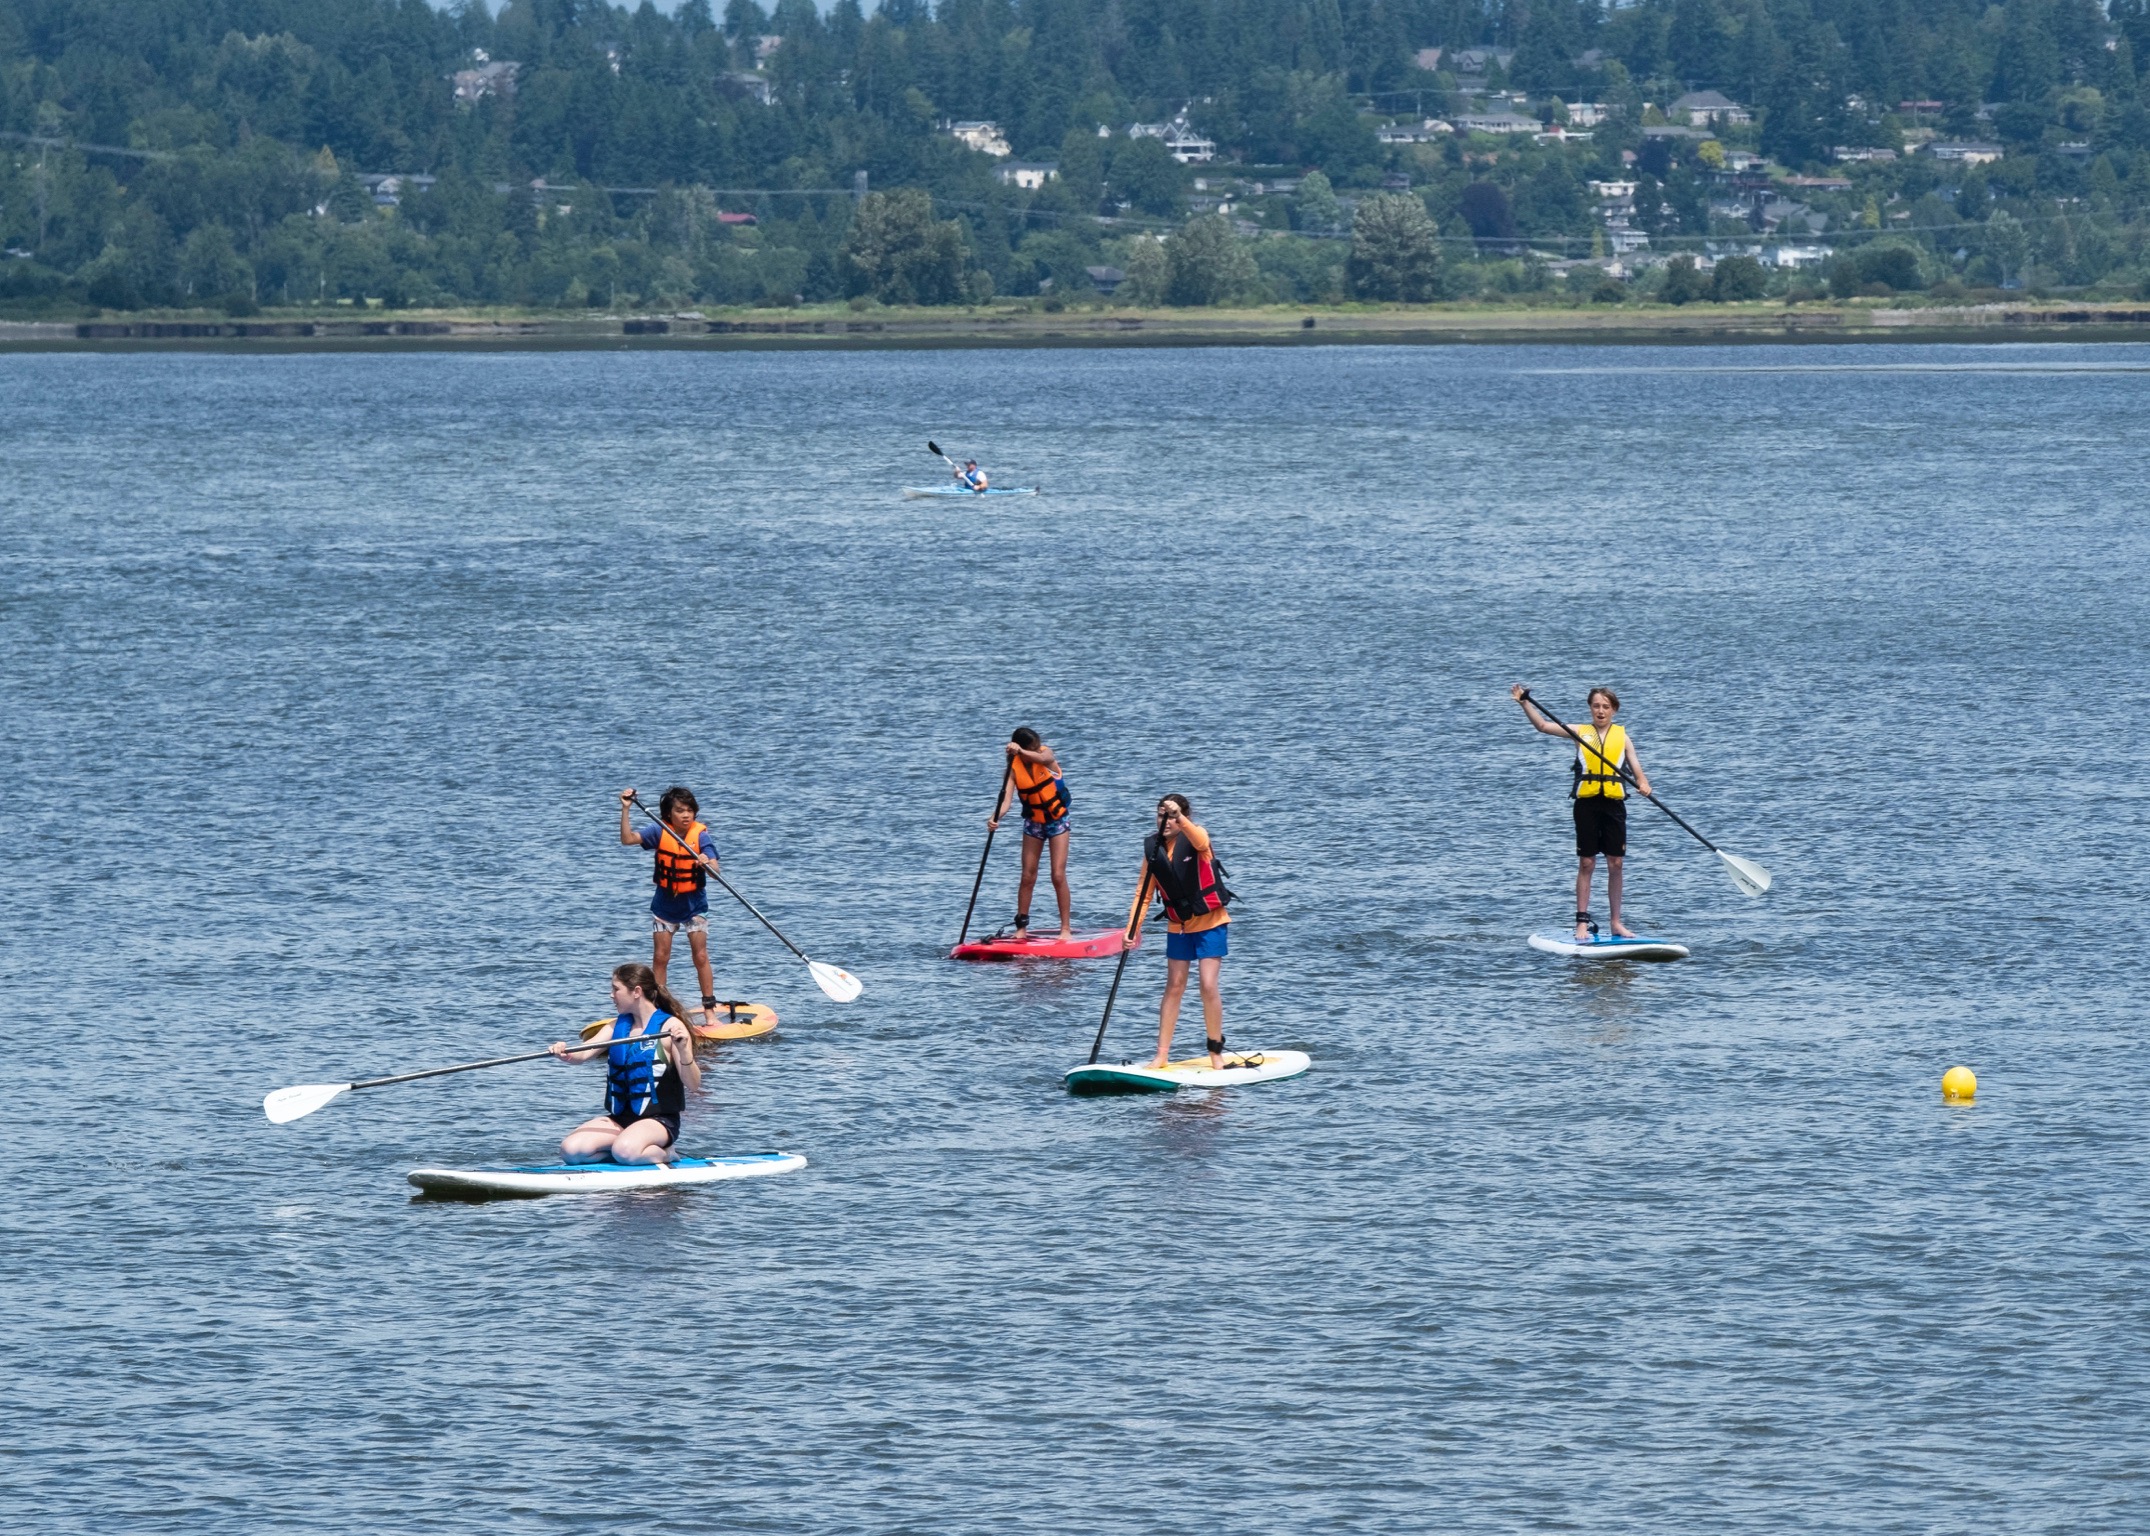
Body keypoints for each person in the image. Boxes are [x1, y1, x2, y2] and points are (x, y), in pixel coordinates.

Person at [1512, 684, 1653, 941]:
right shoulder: (1579, 732)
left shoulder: (1623, 737)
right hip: (1587, 805)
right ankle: (1581, 923)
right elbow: (1542, 726)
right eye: (1596, 706)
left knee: (1616, 863)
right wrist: (1525, 703)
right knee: (1587, 862)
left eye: (1606, 707)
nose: (1600, 711)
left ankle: (1616, 923)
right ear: (1590, 708)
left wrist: (1643, 784)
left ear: (1614, 710)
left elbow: (1639, 773)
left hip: (1614, 805)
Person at [549, 962, 701, 1165]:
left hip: (659, 1121)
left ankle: (667, 1154)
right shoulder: (616, 1026)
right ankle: (628, 1152)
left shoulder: (670, 1027)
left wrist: (683, 1050)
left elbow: (693, 1084)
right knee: (571, 1151)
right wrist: (564, 1053)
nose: (611, 995)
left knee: (626, 1151)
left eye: (616, 989)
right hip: (621, 1118)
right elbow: (583, 1054)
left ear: (636, 991)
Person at [1143, 794, 1234, 1069]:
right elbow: (1143, 895)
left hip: (1211, 923)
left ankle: (1215, 1052)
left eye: (1170, 816)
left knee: (1207, 985)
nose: (1166, 821)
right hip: (1178, 927)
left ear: (1184, 817)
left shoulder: (1197, 837)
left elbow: (1201, 842)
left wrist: (1180, 818)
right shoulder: (1153, 849)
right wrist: (1131, 930)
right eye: (1161, 815)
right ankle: (1161, 1055)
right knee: (1174, 986)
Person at [621, 785, 723, 1026]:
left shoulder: (701, 836)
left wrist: (706, 862)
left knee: (700, 956)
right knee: (660, 957)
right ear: (669, 813)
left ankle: (709, 1012)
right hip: (664, 907)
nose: (686, 815)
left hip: (694, 907)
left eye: (690, 810)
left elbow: (717, 872)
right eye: (680, 810)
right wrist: (625, 810)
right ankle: (658, 1012)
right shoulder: (659, 830)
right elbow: (627, 840)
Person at [988, 728, 1073, 942]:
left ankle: (1065, 928)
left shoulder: (1045, 754)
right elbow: (1006, 800)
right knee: (1027, 876)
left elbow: (1042, 757)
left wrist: (1021, 751)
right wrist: (995, 817)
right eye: (1033, 745)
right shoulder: (1013, 769)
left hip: (1057, 821)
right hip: (1033, 823)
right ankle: (1021, 928)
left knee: (1057, 875)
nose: (1039, 746)